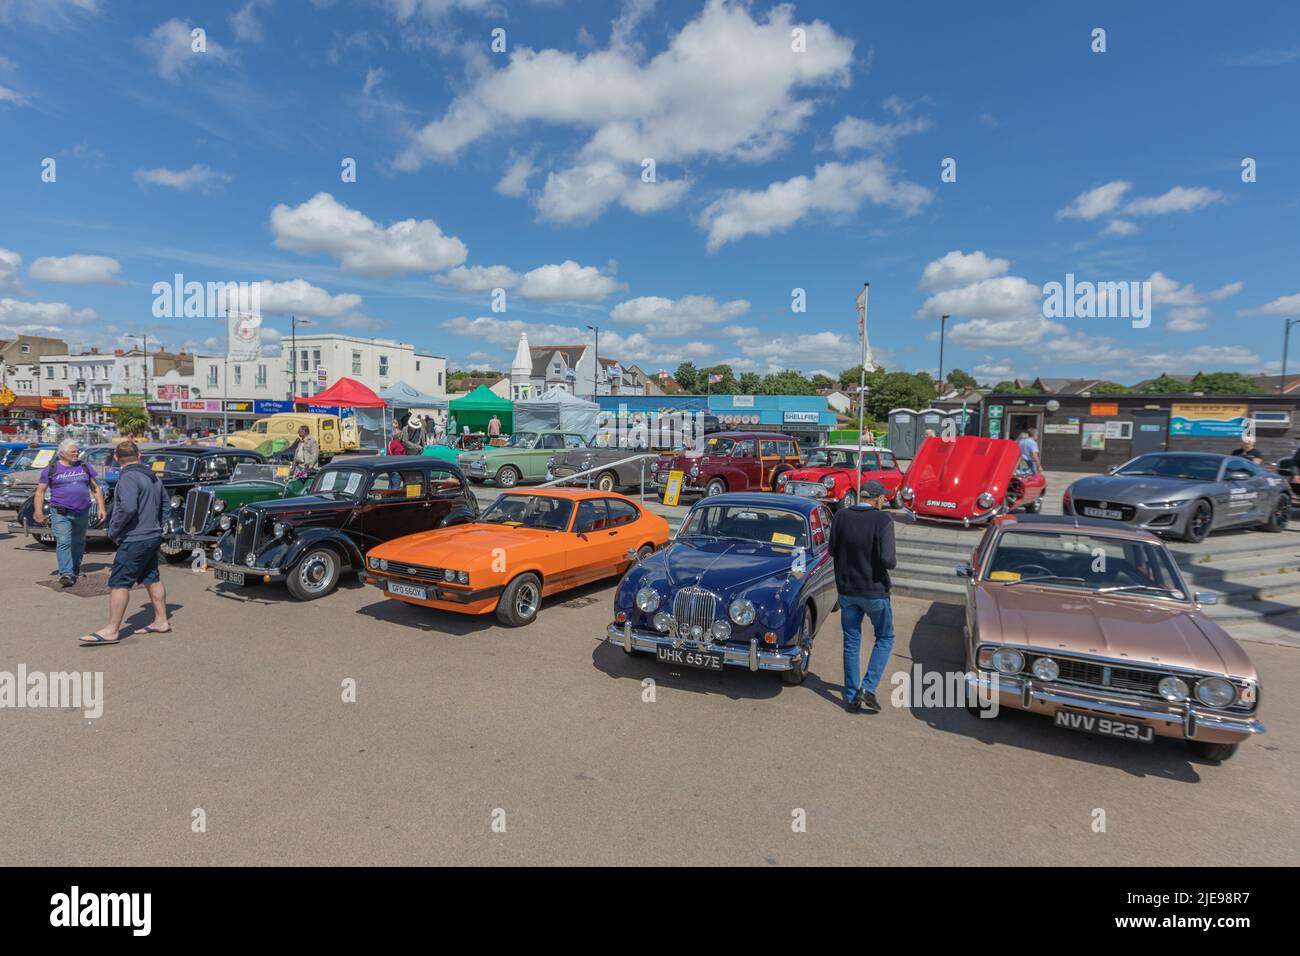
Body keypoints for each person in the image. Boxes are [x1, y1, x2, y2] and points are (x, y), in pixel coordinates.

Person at [82, 441, 171, 645]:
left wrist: (114, 530)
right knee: (151, 577)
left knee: (119, 582)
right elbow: (166, 504)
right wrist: (159, 526)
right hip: (151, 535)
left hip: (135, 537)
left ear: (116, 457)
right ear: (139, 454)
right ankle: (161, 620)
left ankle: (112, 630)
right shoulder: (152, 477)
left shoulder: (128, 477)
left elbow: (128, 508)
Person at [829, 479, 897, 714]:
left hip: (847, 590)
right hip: (875, 591)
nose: (884, 501)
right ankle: (867, 688)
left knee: (851, 641)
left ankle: (851, 697)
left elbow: (831, 550)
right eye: (883, 498)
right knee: (885, 637)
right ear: (877, 499)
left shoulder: (841, 517)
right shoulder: (883, 520)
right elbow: (890, 561)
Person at [34, 438, 106, 587]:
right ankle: (66, 573)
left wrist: (101, 507)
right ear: (62, 453)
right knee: (64, 541)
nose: (76, 453)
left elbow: (96, 489)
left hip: (82, 511)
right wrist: (38, 512)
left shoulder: (84, 466)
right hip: (60, 512)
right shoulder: (51, 469)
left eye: (77, 451)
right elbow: (40, 492)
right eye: (73, 452)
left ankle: (75, 569)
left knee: (79, 542)